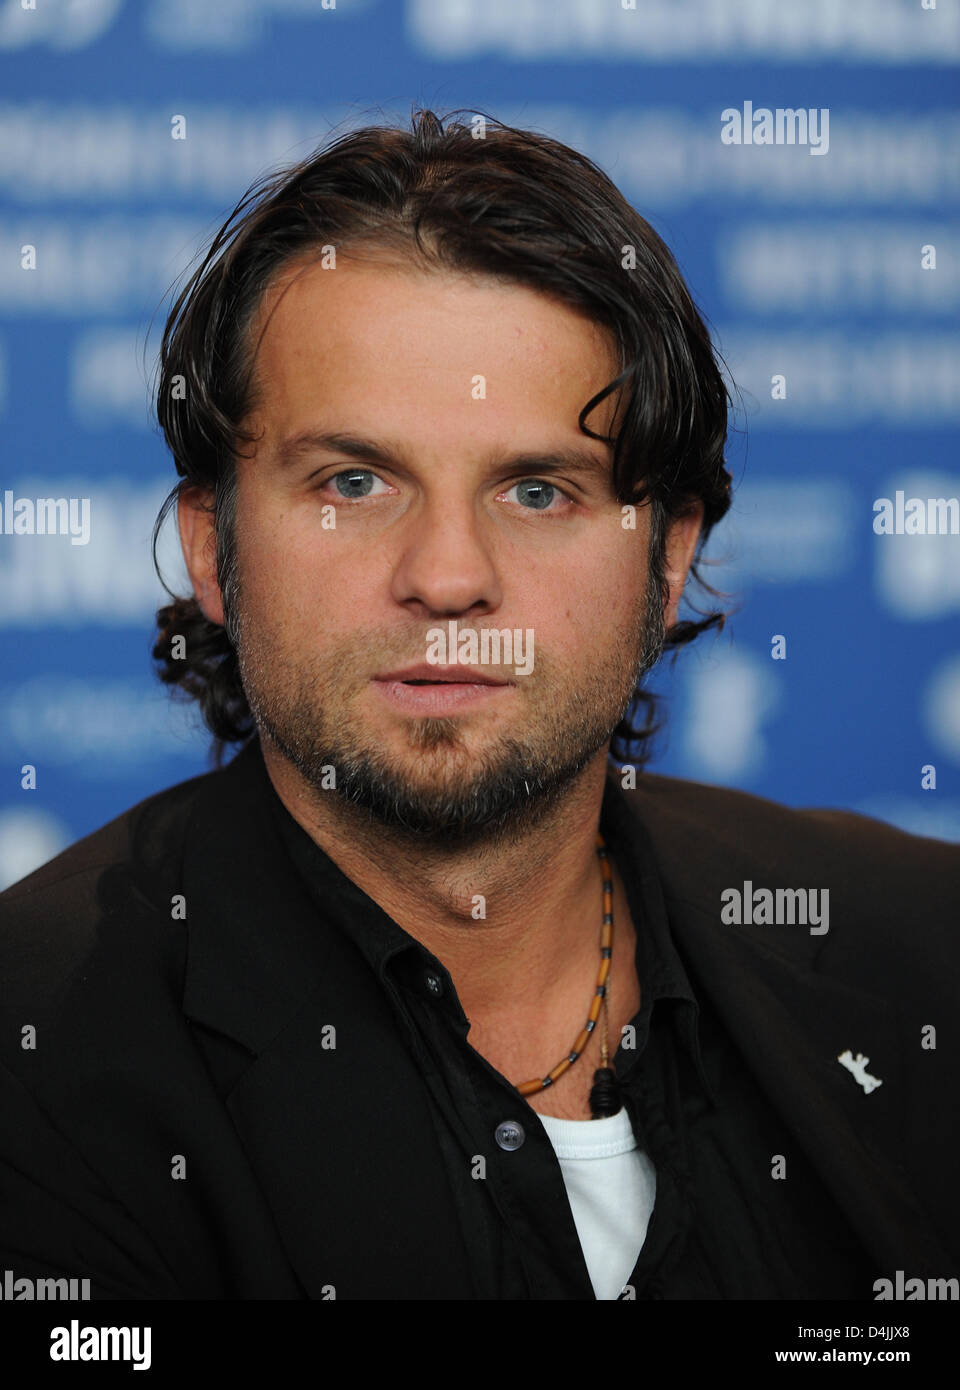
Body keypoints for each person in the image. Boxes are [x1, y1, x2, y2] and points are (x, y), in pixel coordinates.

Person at [0, 108, 956, 1302]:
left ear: (667, 559)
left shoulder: (924, 950)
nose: (448, 576)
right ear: (213, 548)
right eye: (355, 481)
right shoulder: (35, 1054)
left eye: (540, 490)